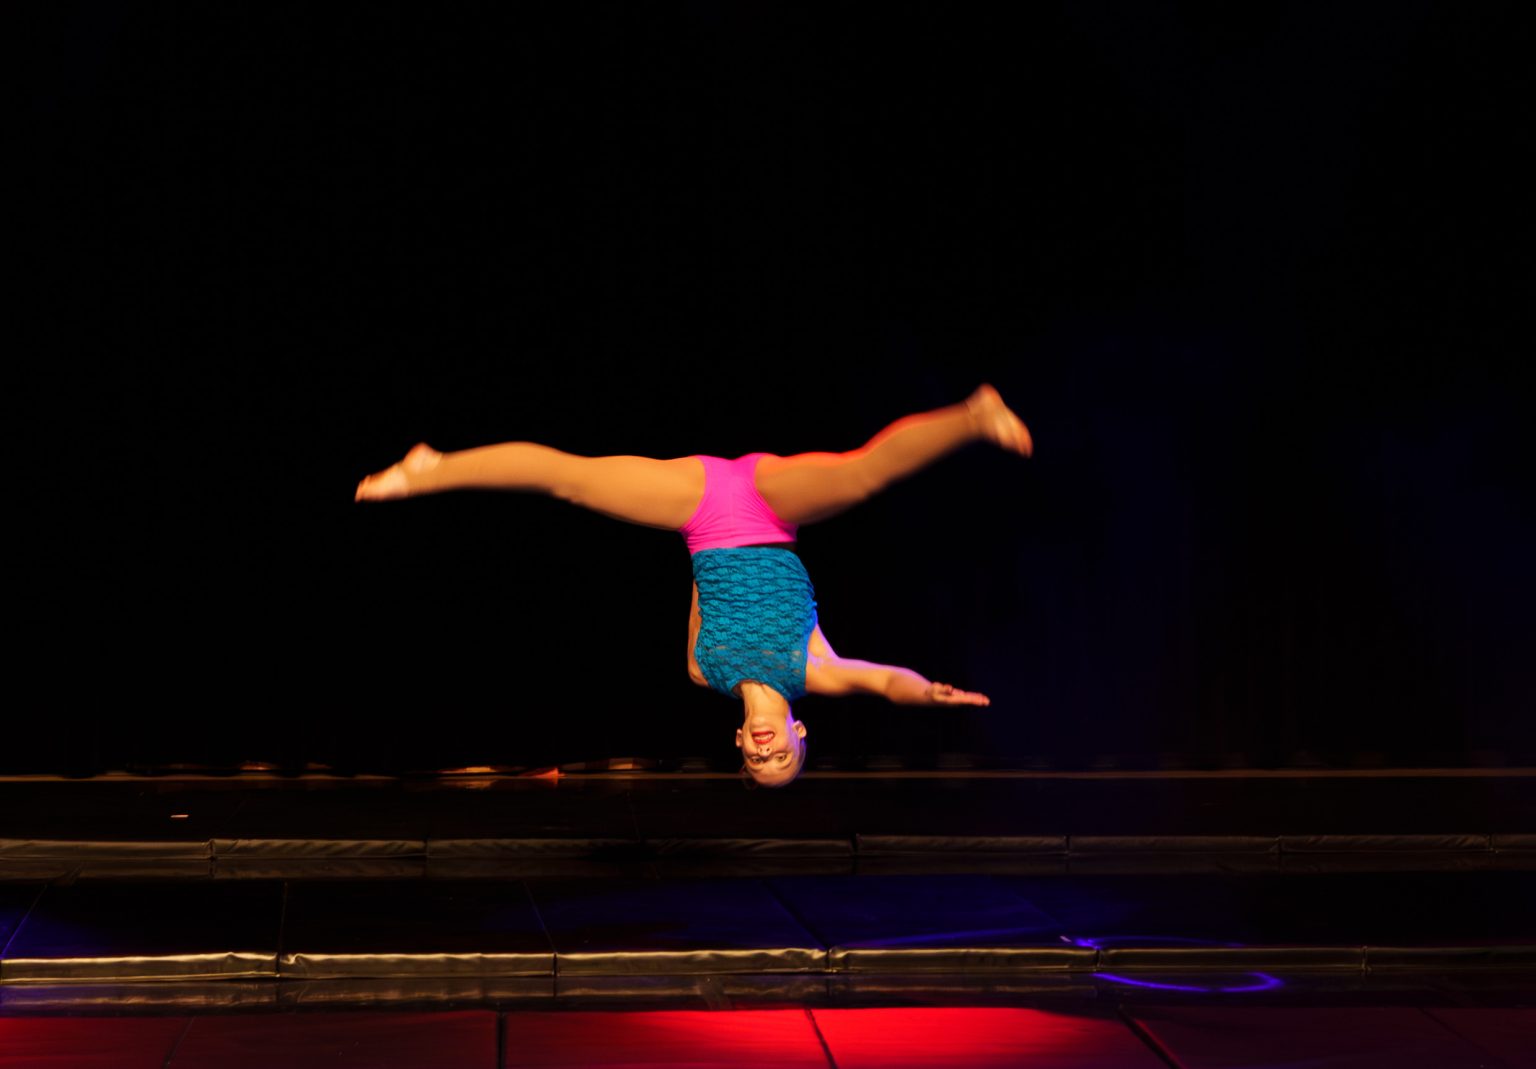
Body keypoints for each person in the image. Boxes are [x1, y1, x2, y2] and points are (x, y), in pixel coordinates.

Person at [356, 384, 1032, 787]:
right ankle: (974, 415)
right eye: (785, 759)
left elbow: (700, 583)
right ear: (798, 732)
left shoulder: (700, 670)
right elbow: (884, 682)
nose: (769, 756)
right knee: (862, 475)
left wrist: (699, 530)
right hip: (770, 509)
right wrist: (929, 693)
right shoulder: (813, 671)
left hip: (703, 514)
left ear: (740, 743)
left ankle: (432, 468)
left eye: (759, 764)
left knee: (569, 477)